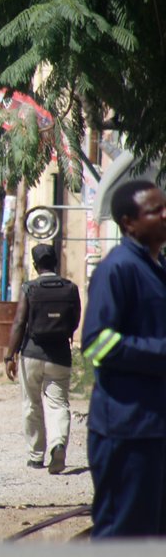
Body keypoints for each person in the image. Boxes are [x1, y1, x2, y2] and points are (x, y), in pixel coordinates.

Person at [80, 180, 166, 538]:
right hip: (126, 431)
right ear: (129, 222)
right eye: (155, 211)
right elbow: (96, 343)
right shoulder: (117, 269)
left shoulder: (155, 268)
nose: (165, 215)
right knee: (122, 534)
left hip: (154, 427)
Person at [3, 244, 81, 473]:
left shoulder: (30, 289)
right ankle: (58, 444)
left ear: (36, 266)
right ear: (56, 262)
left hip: (32, 354)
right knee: (58, 404)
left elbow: (19, 323)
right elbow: (75, 320)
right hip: (60, 356)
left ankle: (36, 455)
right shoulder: (70, 288)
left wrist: (10, 355)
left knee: (32, 405)